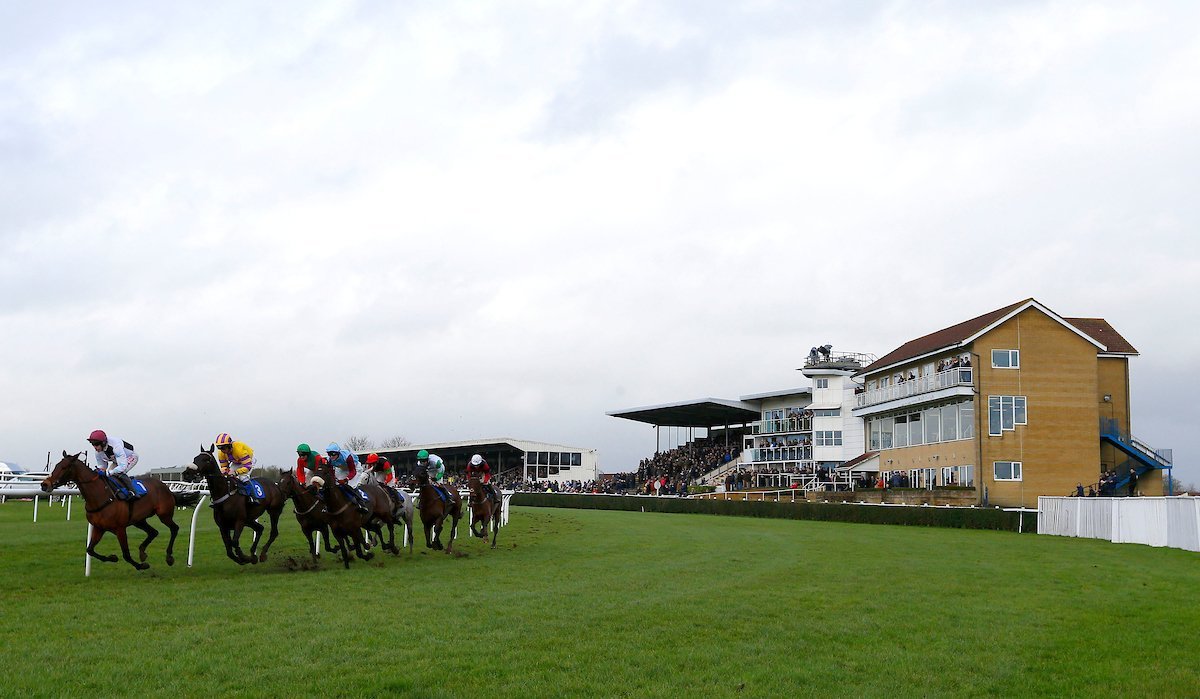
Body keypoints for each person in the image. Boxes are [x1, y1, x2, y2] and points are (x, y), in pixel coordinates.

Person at [87, 430, 139, 500]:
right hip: (117, 461)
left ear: (103, 443)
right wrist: (99, 470)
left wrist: (108, 473)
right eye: (92, 444)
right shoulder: (98, 452)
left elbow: (122, 466)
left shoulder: (115, 446)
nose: (94, 447)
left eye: (96, 444)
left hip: (130, 457)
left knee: (119, 473)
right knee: (108, 476)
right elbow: (102, 466)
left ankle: (133, 492)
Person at [215, 432, 258, 503]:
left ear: (229, 446)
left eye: (223, 447)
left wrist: (236, 472)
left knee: (243, 477)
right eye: (219, 448)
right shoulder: (221, 453)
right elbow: (224, 467)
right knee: (228, 476)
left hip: (248, 461)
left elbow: (248, 466)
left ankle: (253, 497)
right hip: (236, 461)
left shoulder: (239, 449)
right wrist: (224, 471)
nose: (222, 450)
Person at [326, 442, 368, 513]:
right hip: (342, 469)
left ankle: (362, 504)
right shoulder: (329, 460)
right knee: (336, 484)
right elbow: (331, 472)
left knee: (351, 485)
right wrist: (334, 479)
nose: (331, 456)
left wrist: (346, 479)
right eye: (329, 454)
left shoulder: (347, 457)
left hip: (354, 468)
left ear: (338, 453)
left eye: (333, 454)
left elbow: (352, 471)